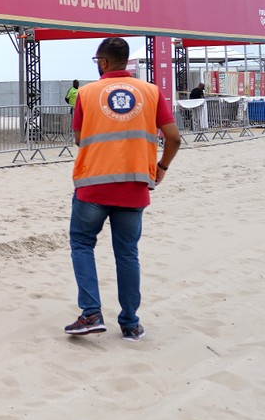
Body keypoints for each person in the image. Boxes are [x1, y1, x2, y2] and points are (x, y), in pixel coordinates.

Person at [65, 37, 181, 341]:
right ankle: (130, 322)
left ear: (102, 63)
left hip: (93, 185)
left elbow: (79, 139)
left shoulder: (87, 93)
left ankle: (90, 312)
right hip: (134, 185)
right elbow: (174, 137)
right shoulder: (151, 92)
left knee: (81, 244)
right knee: (127, 253)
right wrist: (162, 168)